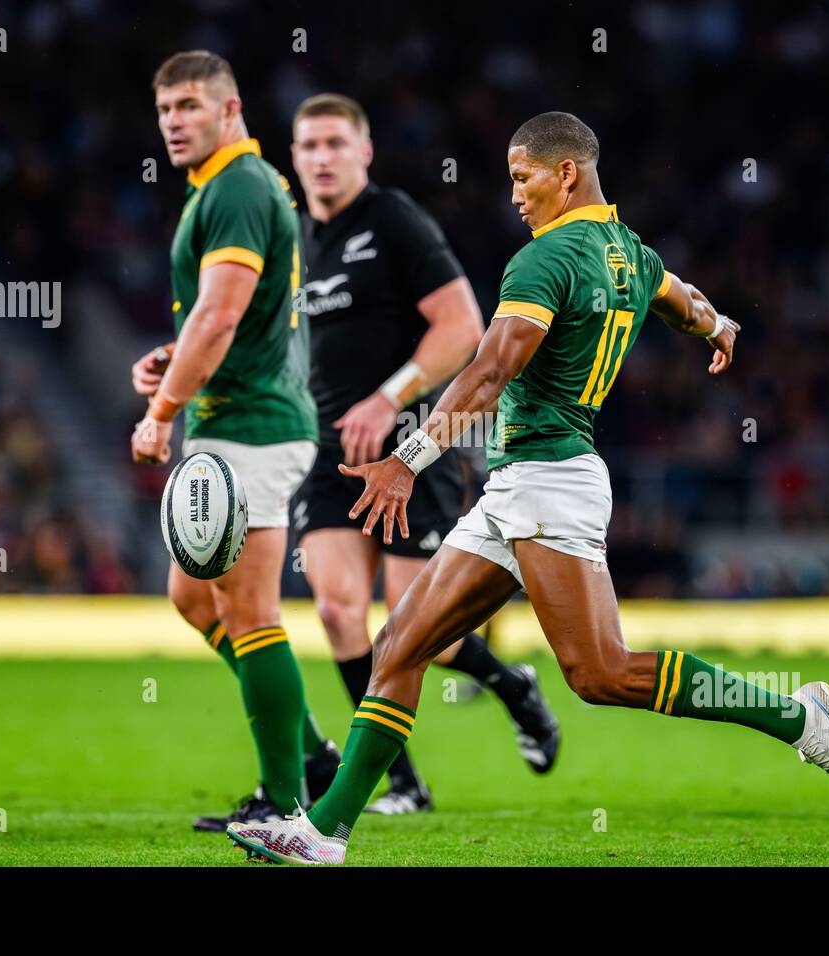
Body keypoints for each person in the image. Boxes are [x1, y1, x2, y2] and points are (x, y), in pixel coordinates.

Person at [227, 111, 829, 865]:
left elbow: (490, 371)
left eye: (523, 177)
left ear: (566, 174)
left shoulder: (544, 260)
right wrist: (717, 325)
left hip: (552, 481)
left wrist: (407, 460)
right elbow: (682, 297)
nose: (515, 195)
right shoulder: (628, 250)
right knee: (399, 644)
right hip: (518, 486)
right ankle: (324, 833)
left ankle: (800, 719)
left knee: (600, 674)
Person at [287, 93, 561, 814]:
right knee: (338, 610)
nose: (321, 157)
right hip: (327, 448)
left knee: (419, 633)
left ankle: (513, 686)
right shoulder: (292, 238)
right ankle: (399, 780)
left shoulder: (395, 221)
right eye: (308, 145)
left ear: (364, 152)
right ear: (294, 157)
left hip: (412, 442)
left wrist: (388, 395)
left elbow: (463, 325)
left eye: (335, 144)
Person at [129, 50, 338, 830]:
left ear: (230, 108)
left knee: (250, 613)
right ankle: (312, 752)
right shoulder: (224, 188)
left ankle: (287, 805)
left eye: (188, 106)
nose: (174, 122)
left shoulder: (241, 186)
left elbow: (220, 317)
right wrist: (172, 364)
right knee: (194, 597)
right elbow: (220, 320)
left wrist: (162, 412)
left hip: (254, 426)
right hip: (233, 418)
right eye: (164, 110)